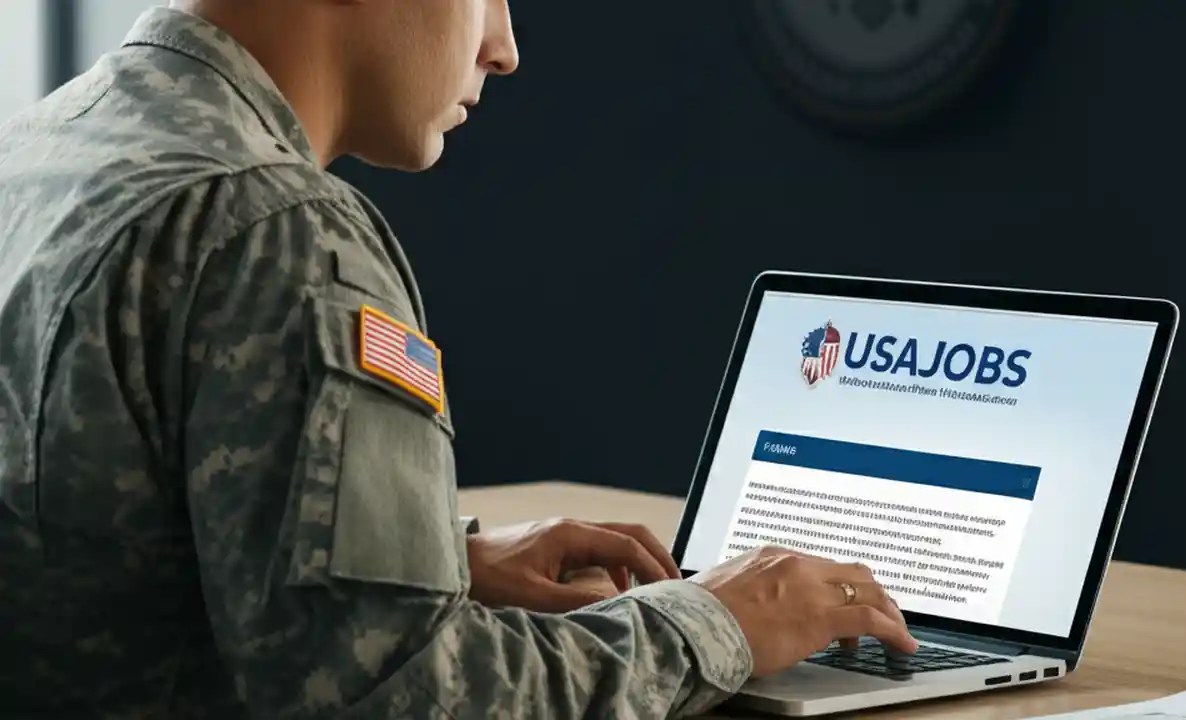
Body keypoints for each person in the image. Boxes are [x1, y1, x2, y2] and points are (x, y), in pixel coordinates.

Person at [0, 1, 918, 717]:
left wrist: (434, 561)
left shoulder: (41, 154)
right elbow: (410, 700)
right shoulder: (276, 229)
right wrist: (713, 624)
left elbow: (89, 559)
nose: (505, 46)